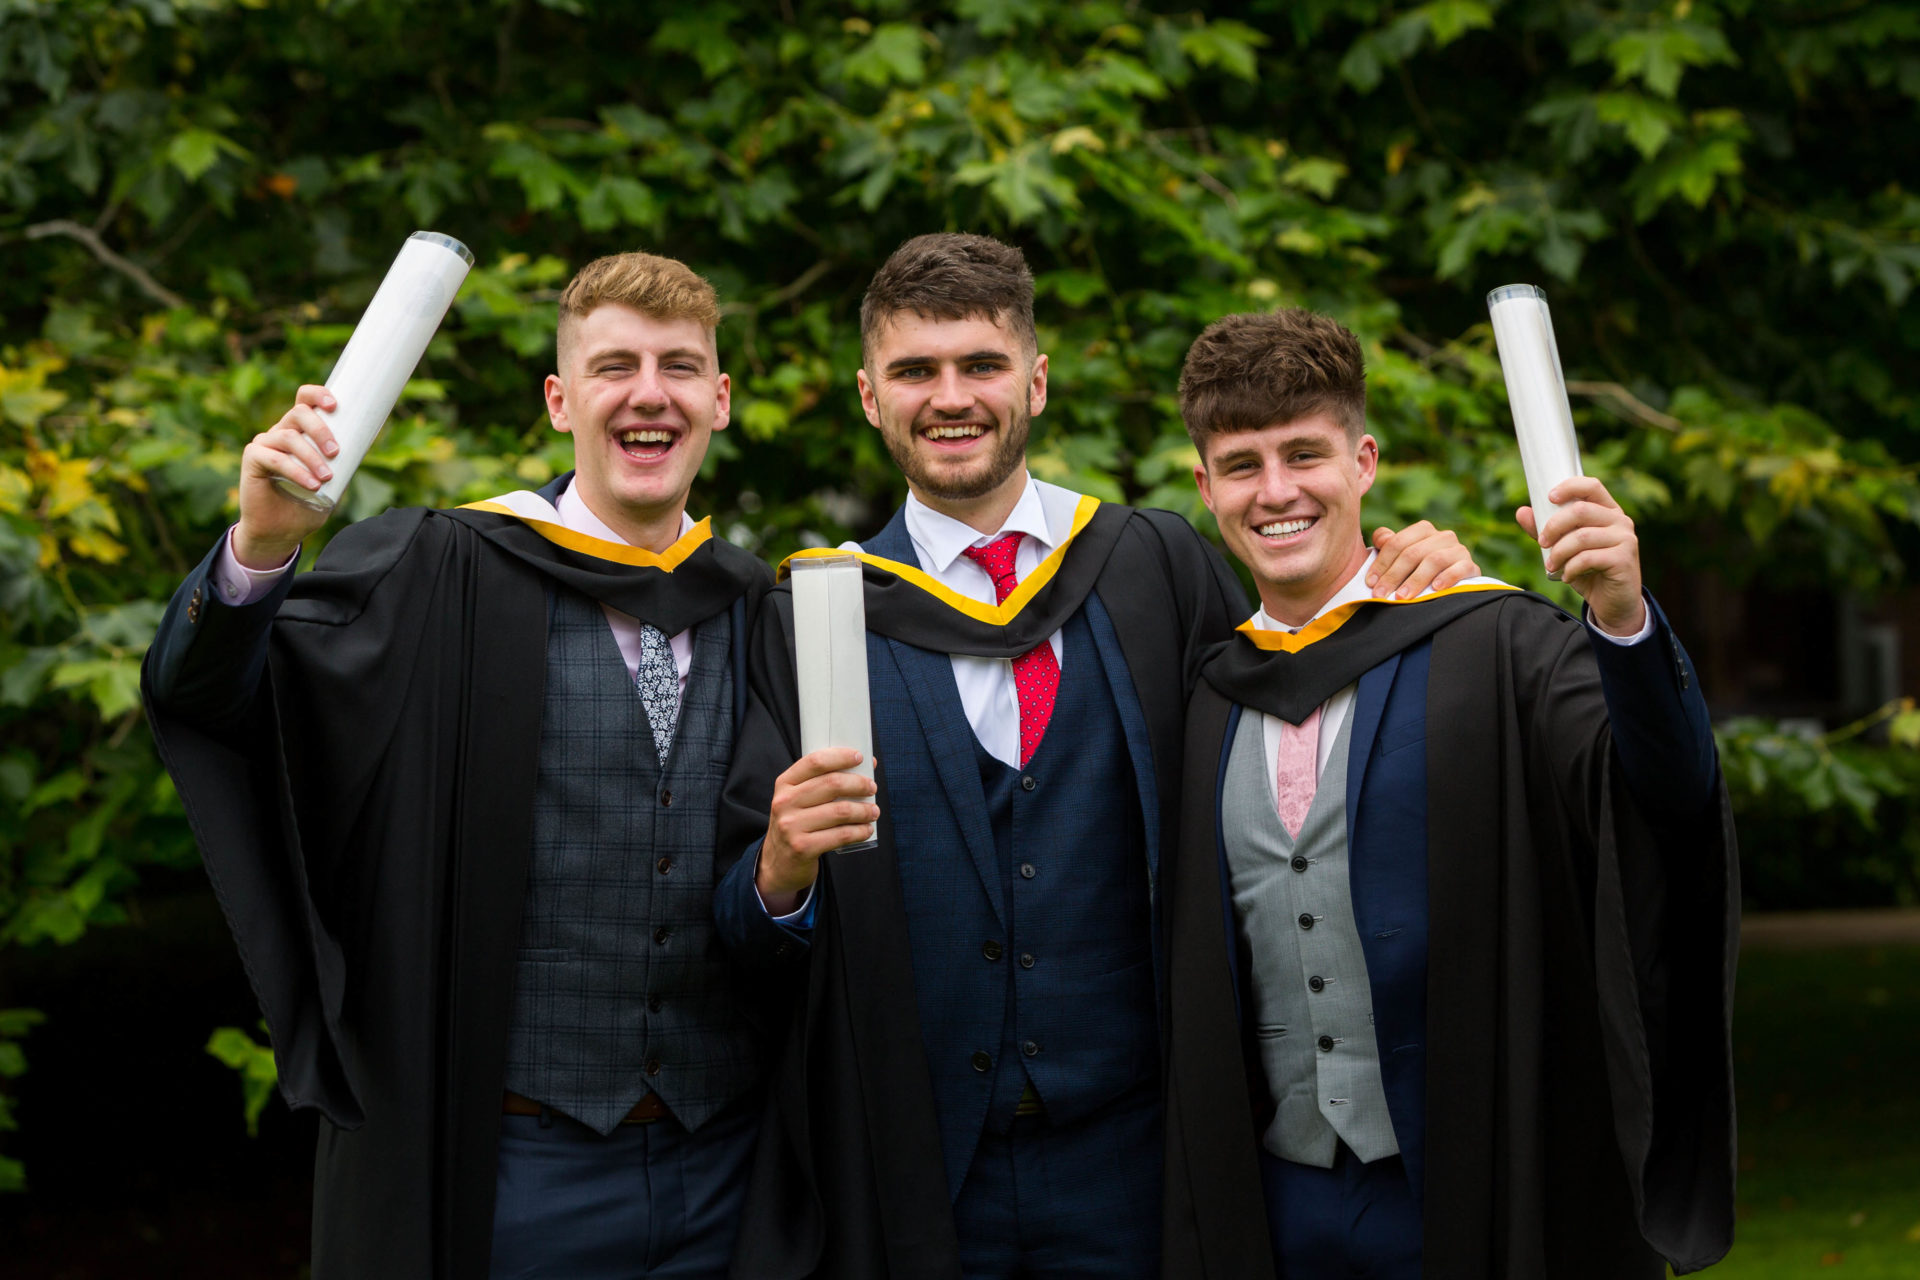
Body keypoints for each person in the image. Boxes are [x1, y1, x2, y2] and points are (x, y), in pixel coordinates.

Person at [712, 234, 1481, 1280]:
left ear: (1034, 382)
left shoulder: (1148, 563)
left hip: (1137, 1157)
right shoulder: (814, 614)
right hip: (917, 1165)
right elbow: (738, 927)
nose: (951, 396)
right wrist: (781, 870)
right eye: (915, 370)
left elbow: (1292, 699)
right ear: (869, 395)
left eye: (982, 365)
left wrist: (1407, 578)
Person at [142, 252, 777, 1279]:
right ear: (559, 401)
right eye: (615, 366)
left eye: (679, 366)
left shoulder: (760, 606)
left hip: (727, 1170)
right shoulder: (438, 571)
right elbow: (216, 699)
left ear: (721, 398)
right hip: (513, 1171)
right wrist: (260, 547)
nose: (649, 393)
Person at [1159, 309, 1737, 1279]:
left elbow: (1666, 794)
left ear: (1364, 462)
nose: (1277, 490)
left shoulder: (1494, 645)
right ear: (1205, 484)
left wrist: (1620, 613)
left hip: (1471, 1180)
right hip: (1270, 1199)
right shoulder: (1205, 693)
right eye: (1243, 464)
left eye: (1305, 454)